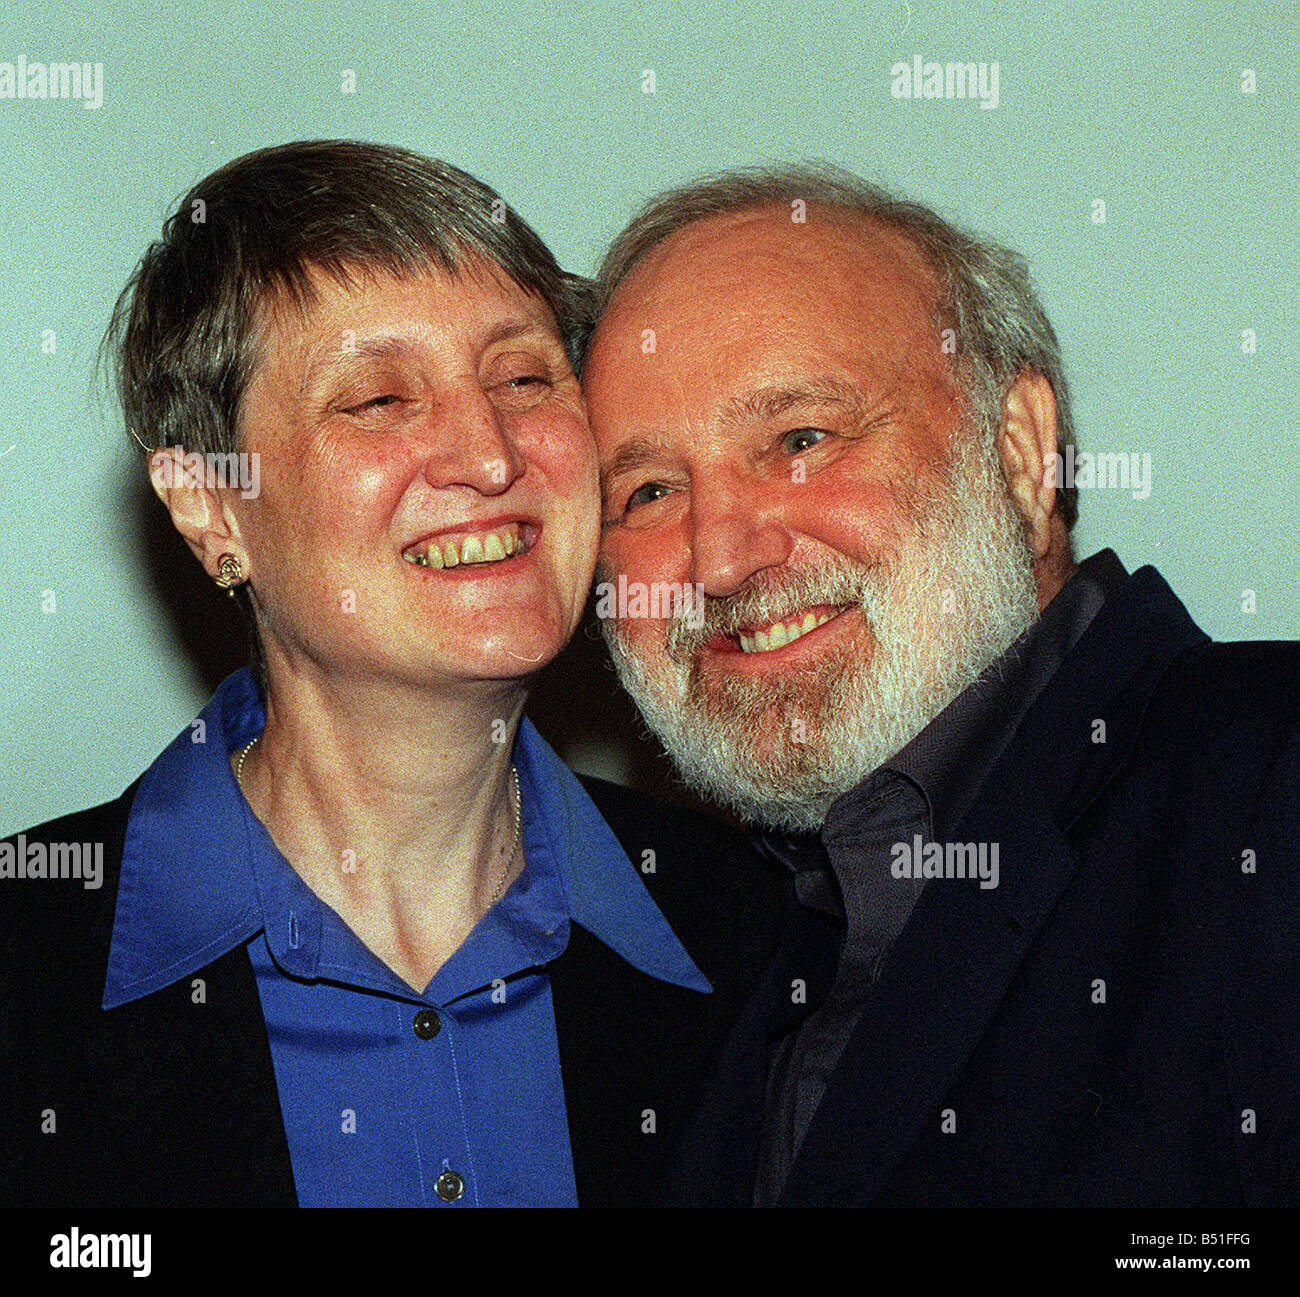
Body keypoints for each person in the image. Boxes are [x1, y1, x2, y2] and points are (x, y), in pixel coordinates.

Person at [0, 141, 782, 1208]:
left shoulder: (766, 945)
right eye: (376, 399)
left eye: (522, 376)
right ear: (211, 507)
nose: (489, 453)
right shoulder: (24, 971)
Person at [578, 163, 1300, 1207]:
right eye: (646, 491)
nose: (720, 558)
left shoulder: (1266, 796)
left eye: (800, 439)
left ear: (1019, 451)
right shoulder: (697, 956)